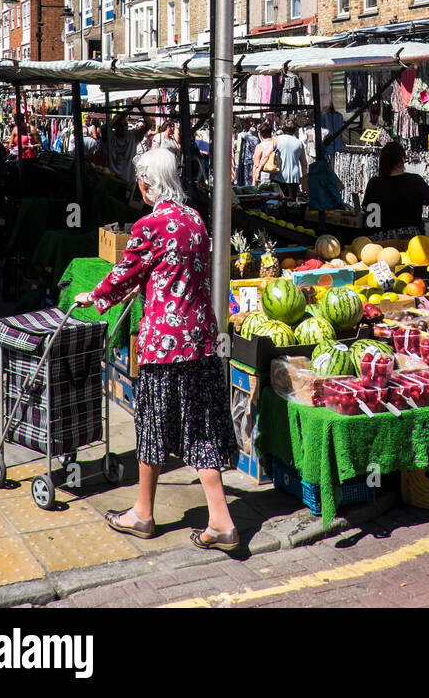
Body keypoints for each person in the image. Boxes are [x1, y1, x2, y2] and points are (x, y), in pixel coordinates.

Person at [74, 147, 238, 552]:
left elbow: (122, 274)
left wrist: (92, 297)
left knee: (152, 426)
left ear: (149, 182)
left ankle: (142, 514)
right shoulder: (195, 219)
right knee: (200, 428)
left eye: (141, 180)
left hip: (165, 344)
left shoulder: (151, 225)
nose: (140, 186)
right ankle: (221, 521)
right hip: (200, 341)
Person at [363, 140, 429, 234]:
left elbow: (370, 217)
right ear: (402, 159)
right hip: (411, 239)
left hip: (383, 239)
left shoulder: (374, 183)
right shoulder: (415, 180)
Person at [108, 105, 149, 183]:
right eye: (120, 126)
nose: (123, 128)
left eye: (125, 125)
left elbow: (149, 124)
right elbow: (107, 127)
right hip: (113, 179)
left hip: (129, 180)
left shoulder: (133, 135)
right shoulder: (110, 136)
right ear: (115, 126)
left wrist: (140, 108)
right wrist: (126, 110)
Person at [276, 118, 308, 199]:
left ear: (283, 128)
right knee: (291, 205)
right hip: (294, 178)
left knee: (277, 203)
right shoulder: (299, 143)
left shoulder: (276, 140)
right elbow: (304, 164)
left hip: (278, 176)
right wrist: (305, 182)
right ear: (294, 129)